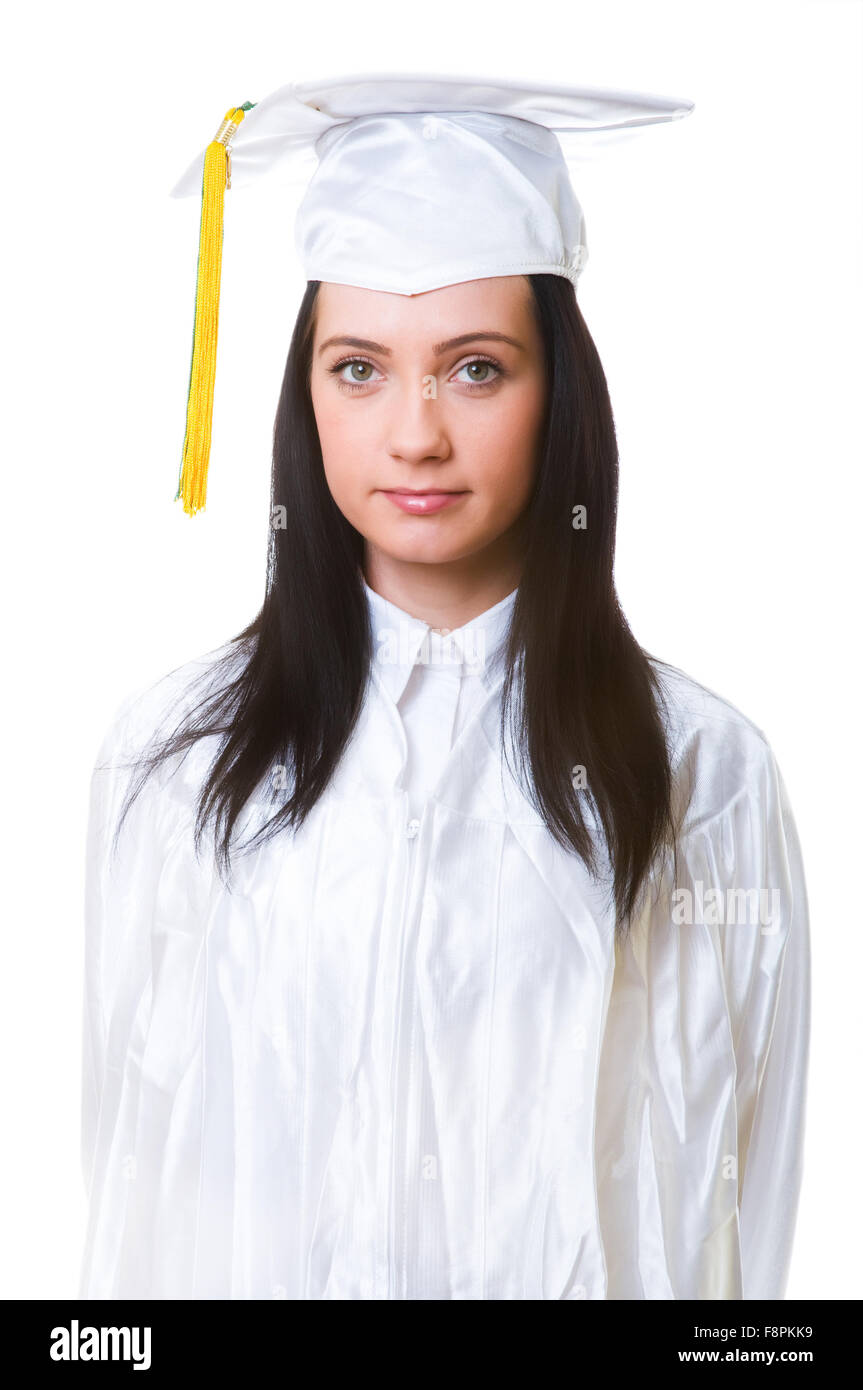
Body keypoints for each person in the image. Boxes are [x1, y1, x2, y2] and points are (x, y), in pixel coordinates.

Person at [78, 74, 810, 1300]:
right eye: (358, 368)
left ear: (556, 393)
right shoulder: (176, 759)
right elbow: (134, 1191)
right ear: (303, 395)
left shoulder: (696, 771)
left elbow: (737, 1191)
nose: (414, 433)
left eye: (475, 369)